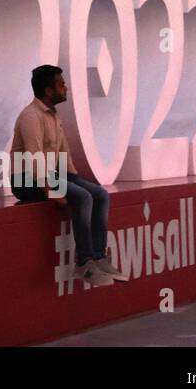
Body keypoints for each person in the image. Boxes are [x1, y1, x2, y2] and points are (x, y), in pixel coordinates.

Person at [11, 65, 126, 287]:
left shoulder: (54, 116)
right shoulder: (30, 116)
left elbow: (64, 156)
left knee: (100, 194)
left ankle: (99, 257)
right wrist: (52, 190)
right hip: (27, 179)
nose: (66, 88)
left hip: (53, 173)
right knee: (82, 198)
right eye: (61, 84)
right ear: (48, 91)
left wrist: (78, 181)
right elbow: (33, 157)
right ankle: (84, 263)